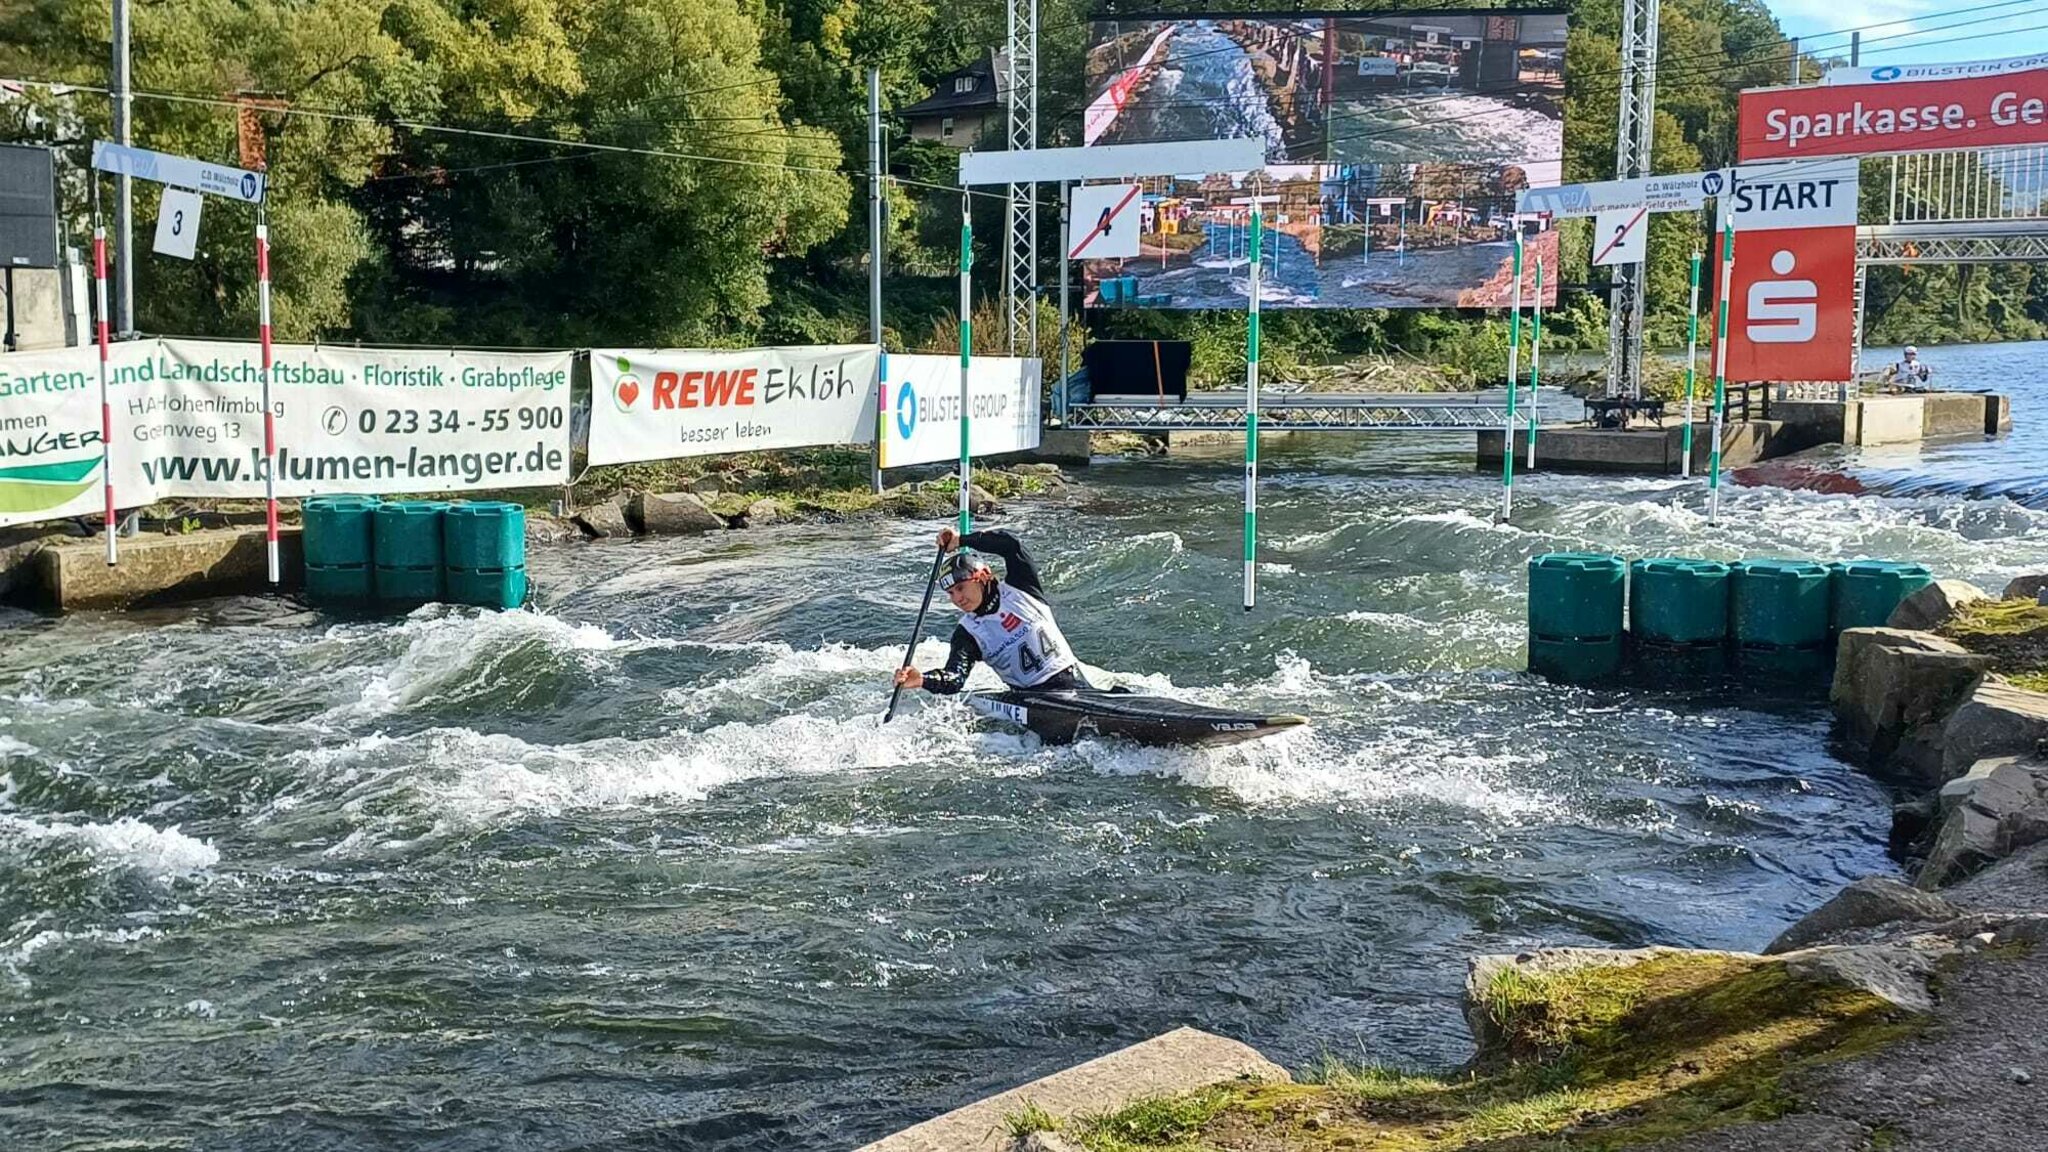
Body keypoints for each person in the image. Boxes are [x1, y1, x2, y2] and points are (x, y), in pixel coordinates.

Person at [891, 527, 1090, 696]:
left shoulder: (1021, 588)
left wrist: (961, 540)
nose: (957, 599)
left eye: (961, 588)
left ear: (983, 577)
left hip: (1076, 684)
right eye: (950, 593)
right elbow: (955, 678)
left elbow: (1012, 546)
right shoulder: (968, 634)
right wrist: (923, 680)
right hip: (1032, 699)